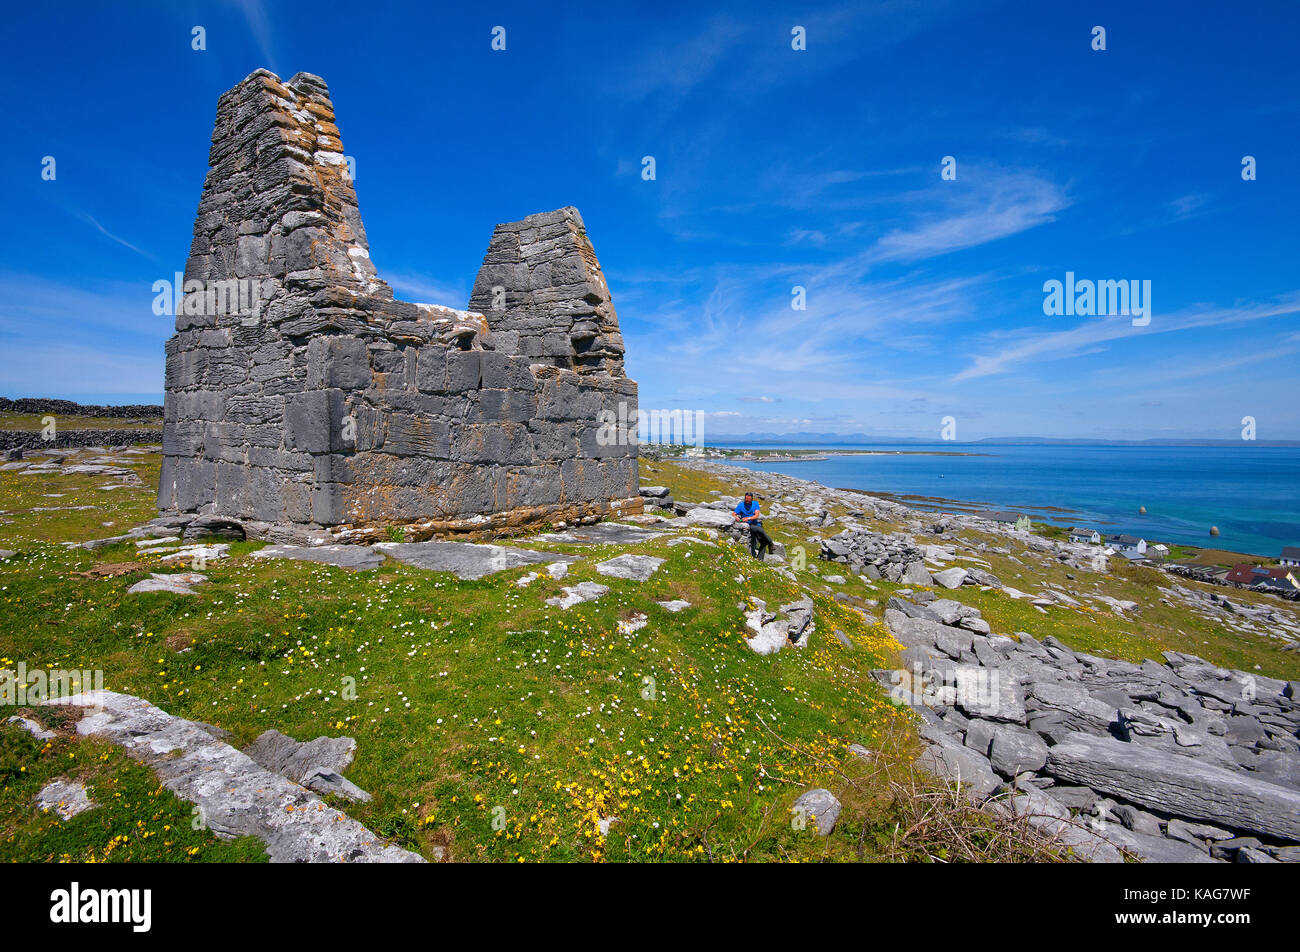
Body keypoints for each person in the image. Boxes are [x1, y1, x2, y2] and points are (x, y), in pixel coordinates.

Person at [733, 492, 773, 560]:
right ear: (744, 499)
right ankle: (770, 542)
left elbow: (756, 515)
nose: (747, 502)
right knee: (761, 534)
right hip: (749, 525)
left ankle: (761, 558)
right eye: (746, 500)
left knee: (763, 540)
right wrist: (736, 517)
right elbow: (734, 514)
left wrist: (748, 518)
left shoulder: (755, 503)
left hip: (756, 524)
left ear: (752, 499)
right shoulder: (741, 505)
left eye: (749, 500)